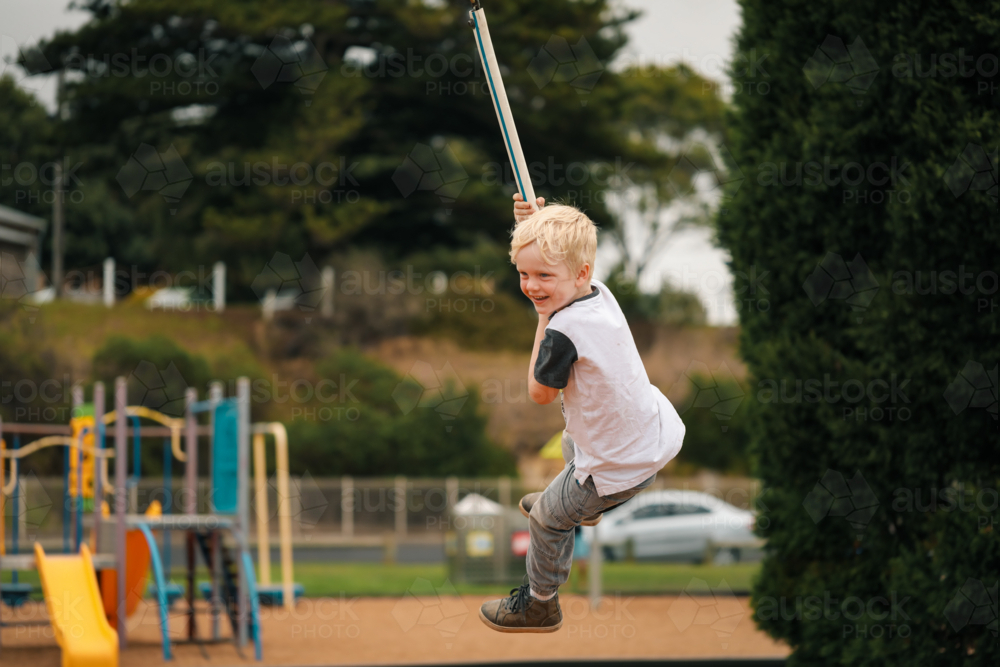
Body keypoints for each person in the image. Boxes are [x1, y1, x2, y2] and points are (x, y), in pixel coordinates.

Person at [478, 194, 685, 633]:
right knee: (573, 439)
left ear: (580, 273)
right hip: (651, 436)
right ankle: (582, 506)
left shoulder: (562, 330)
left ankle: (540, 605)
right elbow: (564, 252)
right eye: (524, 273)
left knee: (545, 520)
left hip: (619, 468)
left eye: (544, 276)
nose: (532, 286)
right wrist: (534, 225)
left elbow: (537, 392)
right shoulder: (598, 295)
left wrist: (544, 319)